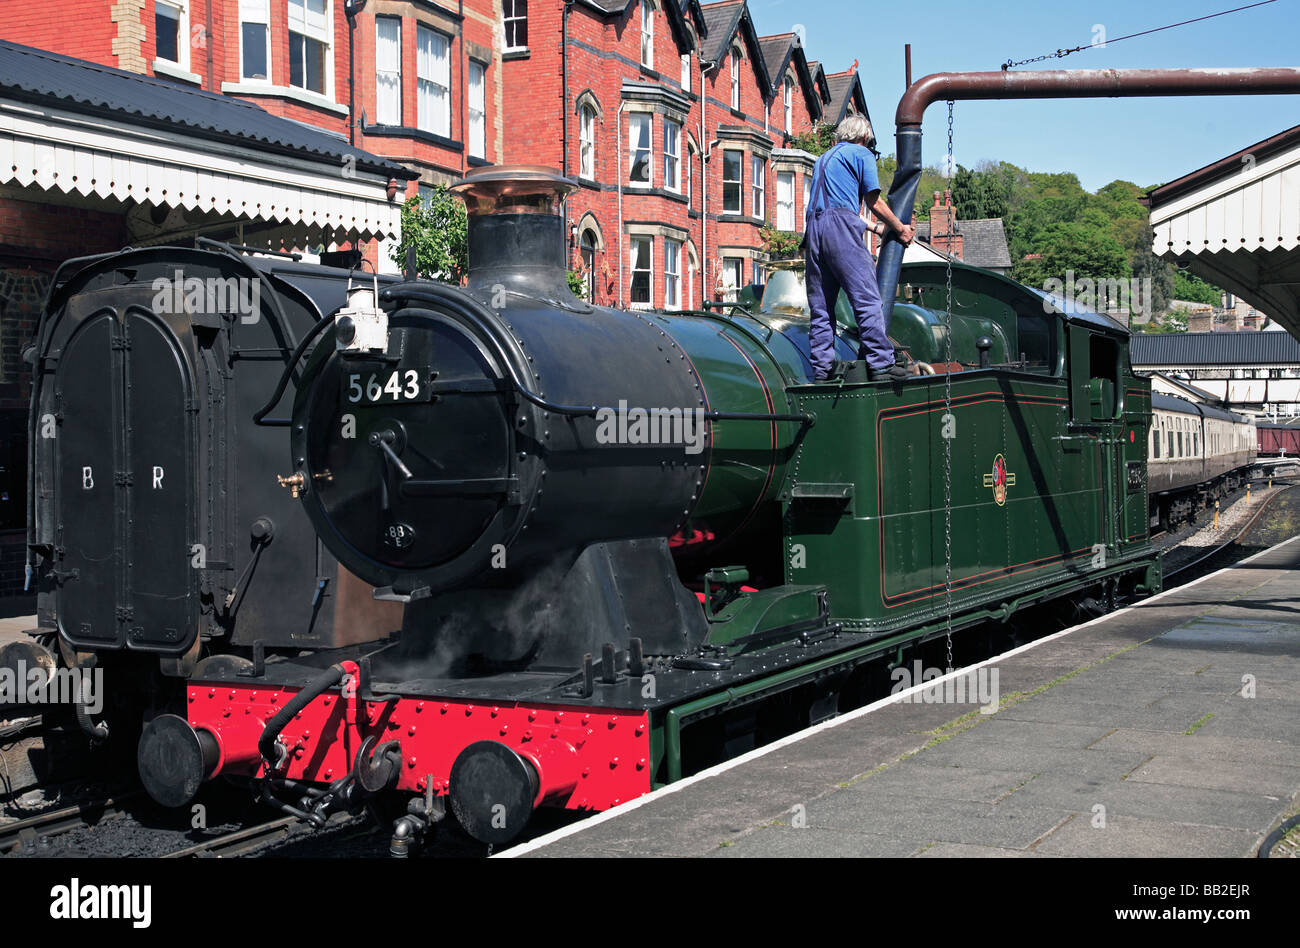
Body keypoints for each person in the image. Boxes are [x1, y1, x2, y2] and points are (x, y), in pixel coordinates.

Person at [804, 114, 915, 382]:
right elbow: (873, 201)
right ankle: (880, 364)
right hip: (839, 229)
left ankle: (822, 369)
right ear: (864, 138)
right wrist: (900, 228)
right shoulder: (861, 154)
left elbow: (834, 208)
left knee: (821, 307)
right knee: (867, 298)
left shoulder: (823, 158)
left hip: (813, 230)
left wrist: (877, 229)